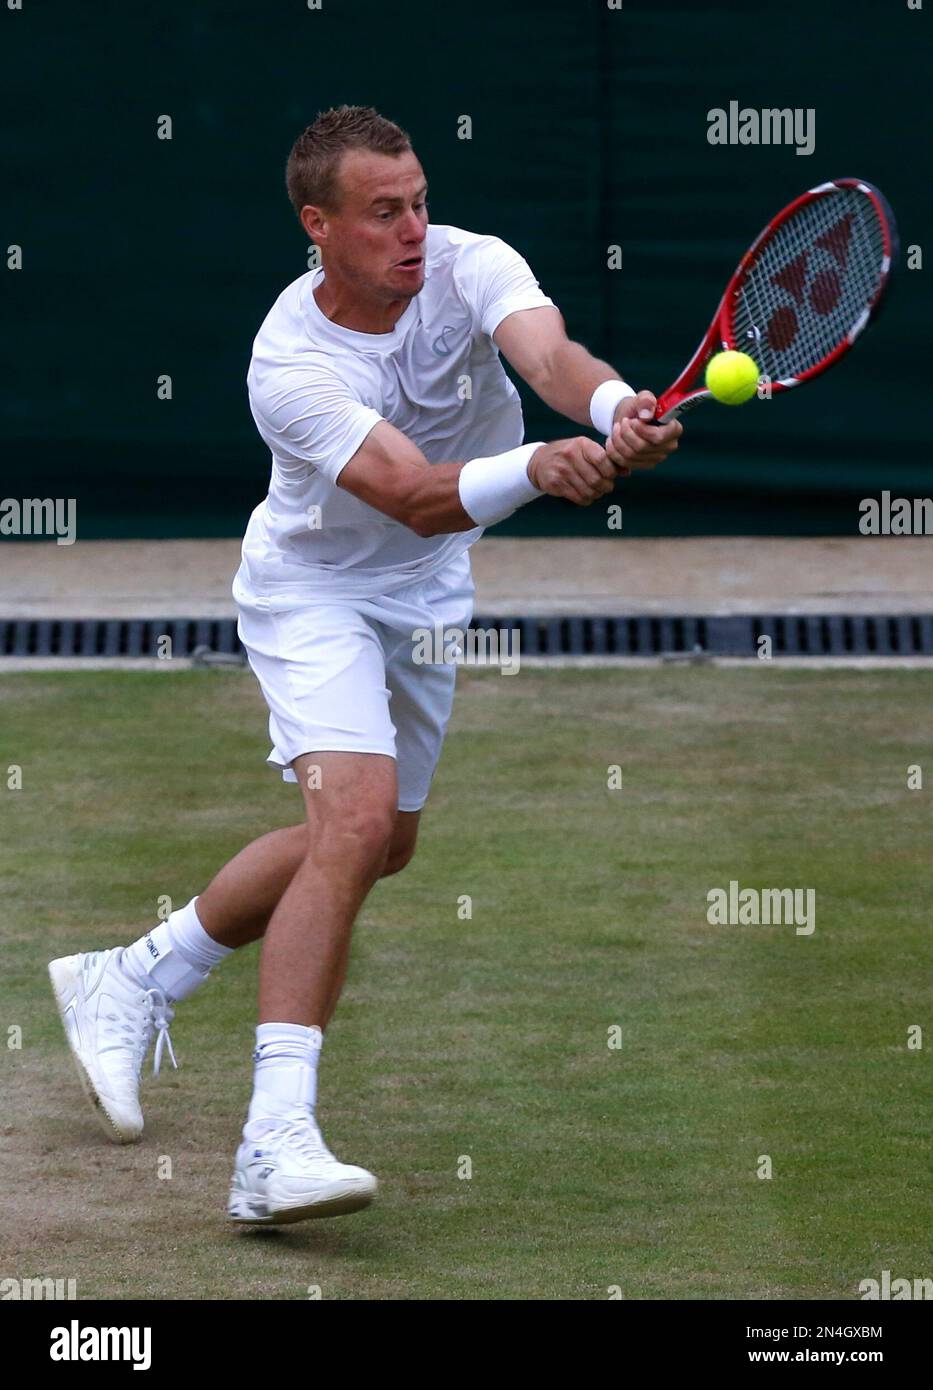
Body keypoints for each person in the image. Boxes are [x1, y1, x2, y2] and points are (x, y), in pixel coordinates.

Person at [48, 105, 682, 1226]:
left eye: (420, 201)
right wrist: (541, 464)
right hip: (313, 594)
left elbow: (550, 353)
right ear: (319, 224)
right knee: (353, 818)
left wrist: (607, 404)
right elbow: (413, 493)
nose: (413, 229)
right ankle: (271, 1144)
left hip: (425, 595)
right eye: (383, 211)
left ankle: (139, 972)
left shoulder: (469, 263)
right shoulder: (286, 362)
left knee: (380, 842)